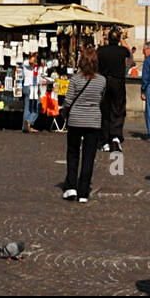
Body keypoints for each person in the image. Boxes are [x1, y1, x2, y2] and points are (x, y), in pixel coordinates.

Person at [60, 45, 106, 203]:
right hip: (93, 121)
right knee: (89, 156)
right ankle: (83, 191)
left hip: (75, 120)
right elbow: (100, 100)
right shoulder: (102, 81)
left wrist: (64, 111)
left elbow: (68, 101)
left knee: (73, 153)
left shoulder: (75, 79)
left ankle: (71, 186)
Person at [97, 27, 131, 151]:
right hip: (118, 81)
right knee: (118, 109)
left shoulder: (101, 50)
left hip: (104, 80)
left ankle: (104, 140)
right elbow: (129, 53)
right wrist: (122, 39)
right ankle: (115, 136)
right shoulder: (122, 51)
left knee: (104, 110)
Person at [21, 52, 46, 133]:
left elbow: (39, 77)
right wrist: (34, 54)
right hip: (30, 86)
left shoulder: (36, 66)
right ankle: (28, 122)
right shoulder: (26, 62)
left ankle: (26, 125)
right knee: (36, 106)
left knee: (29, 107)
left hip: (33, 87)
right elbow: (31, 61)